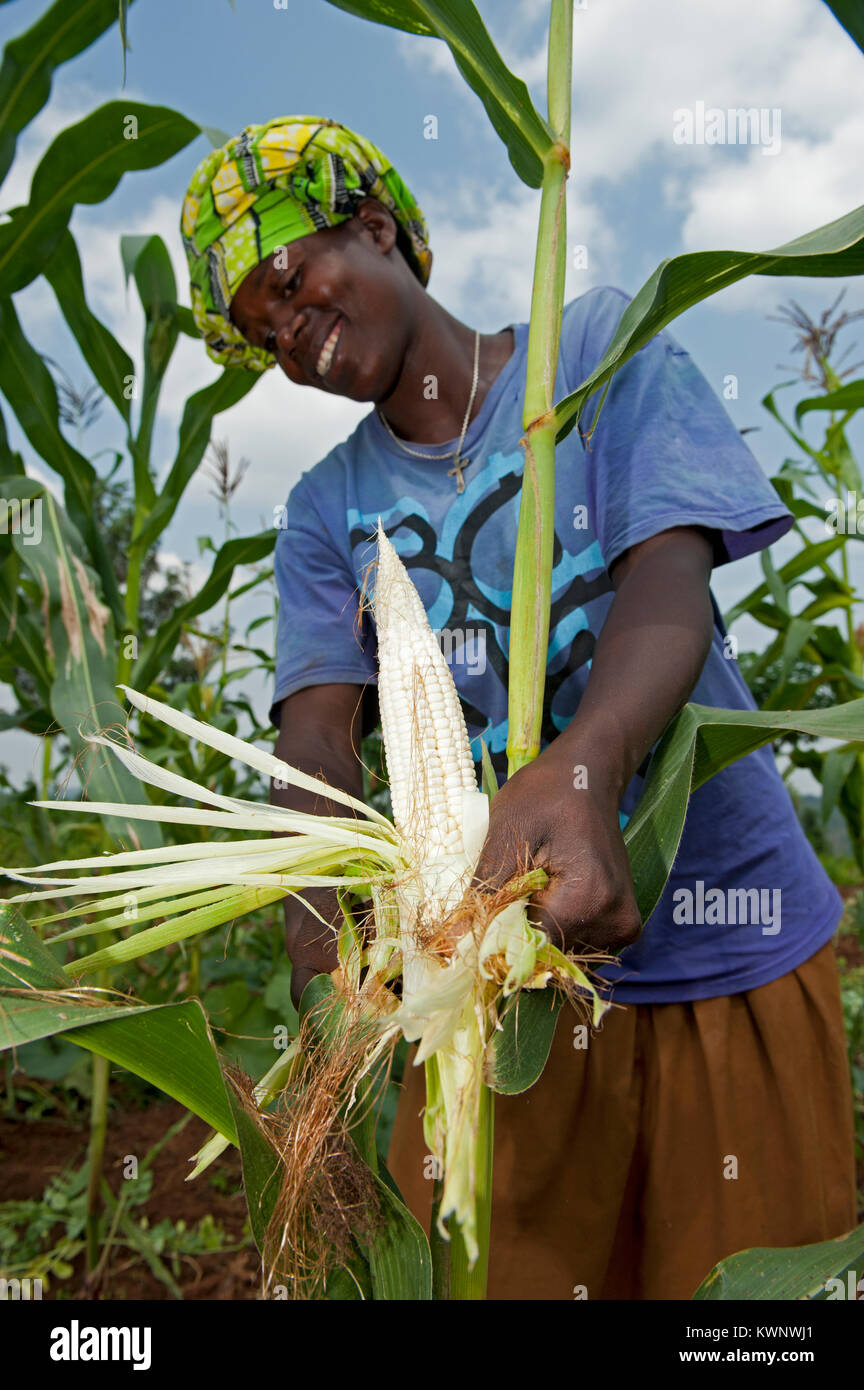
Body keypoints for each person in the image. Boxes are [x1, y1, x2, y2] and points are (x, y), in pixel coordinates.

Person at [181, 115, 858, 1300]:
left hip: (730, 958)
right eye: (260, 331)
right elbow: (316, 737)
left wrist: (586, 764)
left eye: (288, 280)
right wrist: (318, 962)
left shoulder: (599, 350)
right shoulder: (322, 512)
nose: (289, 331)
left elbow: (668, 575)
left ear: (377, 224)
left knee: (755, 1308)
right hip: (503, 1013)